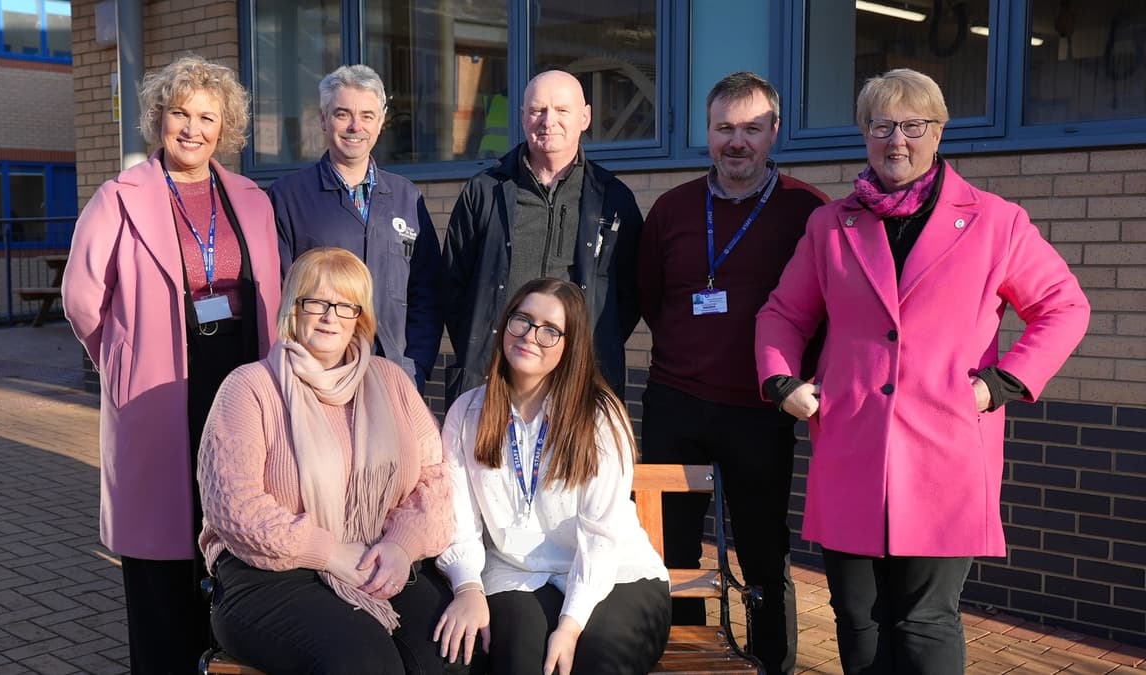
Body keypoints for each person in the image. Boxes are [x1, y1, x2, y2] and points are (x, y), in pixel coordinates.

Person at [755, 68, 1090, 675]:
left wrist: (1000, 385)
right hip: (852, 446)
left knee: (925, 621)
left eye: (913, 126)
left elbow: (1064, 306)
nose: (897, 140)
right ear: (864, 134)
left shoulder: (995, 221)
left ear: (938, 133)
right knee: (857, 618)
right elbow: (783, 313)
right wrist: (783, 383)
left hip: (947, 450)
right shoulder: (832, 224)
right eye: (882, 126)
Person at [60, 55, 281, 673]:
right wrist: (121, 355)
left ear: (225, 127)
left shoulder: (249, 198)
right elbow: (81, 298)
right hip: (157, 385)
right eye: (180, 113)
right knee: (161, 543)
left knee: (233, 524)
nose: (192, 128)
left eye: (207, 117)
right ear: (160, 118)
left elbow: (271, 287)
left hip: (237, 372)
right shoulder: (118, 197)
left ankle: (221, 656)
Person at [636, 71, 828, 675]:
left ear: (775, 132)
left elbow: (826, 306)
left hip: (760, 410)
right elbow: (649, 295)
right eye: (725, 128)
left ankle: (773, 662)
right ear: (708, 132)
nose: (736, 141)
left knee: (765, 548)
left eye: (751, 128)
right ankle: (686, 655)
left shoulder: (807, 210)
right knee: (674, 546)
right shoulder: (672, 209)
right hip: (677, 402)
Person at [198, 247, 455, 674]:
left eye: (344, 305)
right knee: (366, 665)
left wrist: (400, 545)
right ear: (293, 308)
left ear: (361, 316)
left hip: (377, 556)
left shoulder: (390, 381)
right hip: (268, 570)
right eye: (315, 302)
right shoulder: (249, 388)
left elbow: (434, 481)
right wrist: (329, 552)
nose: (329, 316)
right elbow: (234, 507)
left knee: (450, 650)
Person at [434, 278, 671, 675]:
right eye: (522, 320)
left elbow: (601, 539)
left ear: (570, 344)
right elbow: (459, 520)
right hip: (516, 573)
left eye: (550, 330)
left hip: (615, 574)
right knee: (519, 662)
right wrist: (467, 586)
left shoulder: (598, 419)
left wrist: (571, 625)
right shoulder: (467, 413)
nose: (531, 336)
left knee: (595, 661)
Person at [441, 70, 643, 407]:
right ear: (523, 117)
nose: (549, 121)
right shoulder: (485, 191)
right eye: (538, 110)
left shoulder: (613, 198)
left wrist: (584, 344)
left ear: (585, 117)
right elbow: (452, 285)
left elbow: (631, 293)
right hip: (494, 377)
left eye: (562, 110)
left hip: (580, 381)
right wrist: (483, 346)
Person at [270, 64, 443, 391]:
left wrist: (414, 368)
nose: (355, 126)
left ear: (380, 123)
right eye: (342, 114)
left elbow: (427, 295)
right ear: (323, 119)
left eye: (366, 115)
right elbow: (278, 297)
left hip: (392, 378)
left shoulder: (407, 198)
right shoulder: (288, 197)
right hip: (317, 378)